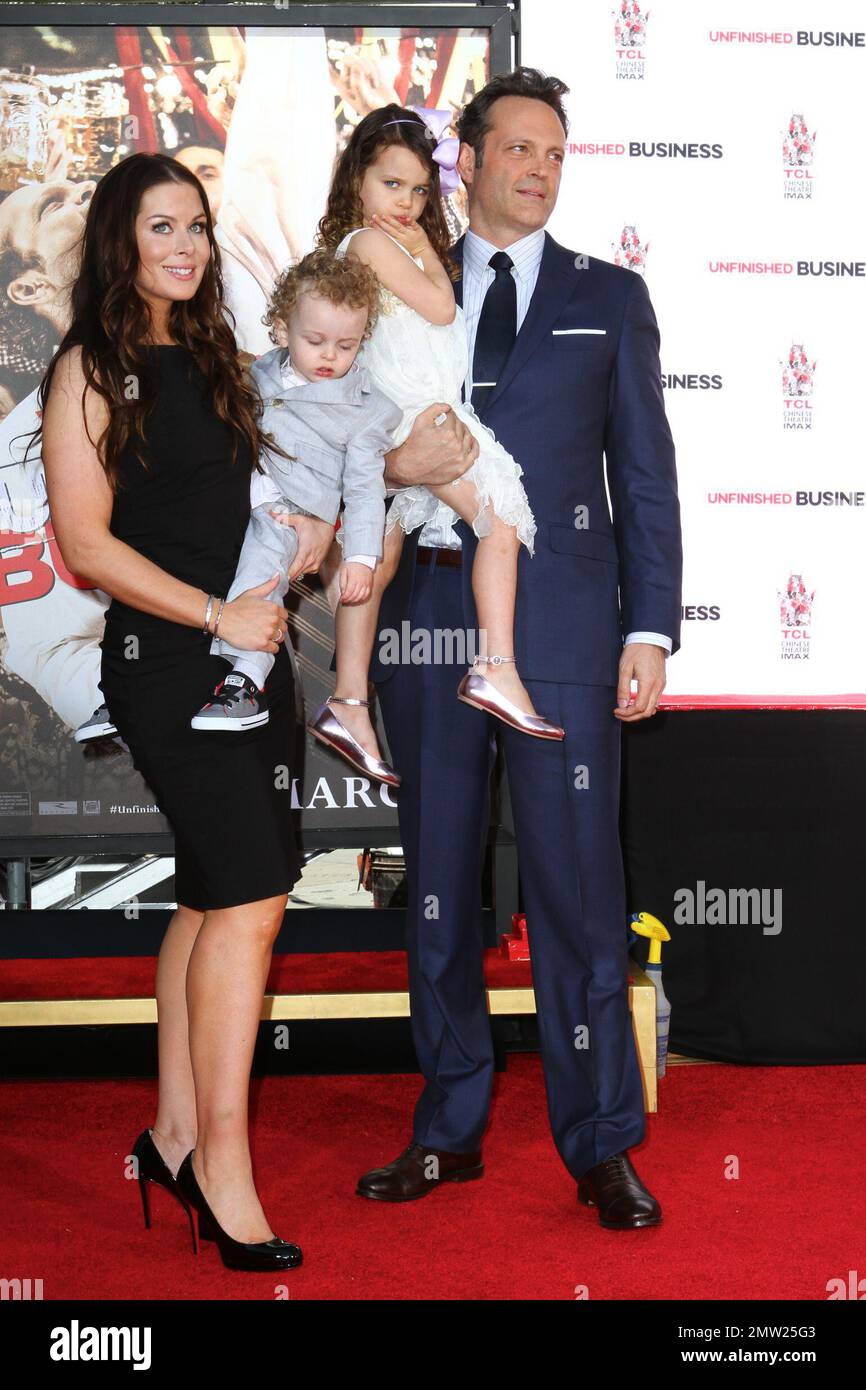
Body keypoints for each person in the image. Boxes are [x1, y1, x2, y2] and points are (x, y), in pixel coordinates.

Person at [354, 69, 683, 1228]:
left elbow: (642, 474)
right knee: (438, 887)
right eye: (520, 149)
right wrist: (387, 468)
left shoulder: (611, 295)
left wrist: (649, 623)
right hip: (430, 615)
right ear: (472, 160)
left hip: (563, 630)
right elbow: (339, 423)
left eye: (556, 152)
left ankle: (600, 1142)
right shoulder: (400, 279)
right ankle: (447, 1129)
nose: (540, 169)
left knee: (579, 896)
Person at [39, 152, 333, 1271]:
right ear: (121, 238)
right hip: (173, 660)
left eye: (198, 226)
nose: (186, 244)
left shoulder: (214, 353)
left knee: (218, 897)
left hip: (247, 653)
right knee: (254, 901)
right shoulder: (90, 368)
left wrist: (303, 529)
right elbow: (87, 543)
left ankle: (169, 1133)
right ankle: (220, 1159)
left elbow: (244, 496)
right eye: (162, 226)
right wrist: (217, 615)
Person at [310, 102, 565, 778]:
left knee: (377, 559)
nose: (407, 201)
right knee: (500, 516)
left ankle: (349, 700)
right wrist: (425, 241)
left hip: (403, 410)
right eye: (391, 184)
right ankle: (495, 666)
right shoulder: (368, 246)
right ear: (356, 179)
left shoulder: (376, 247)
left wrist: (419, 242)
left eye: (421, 190)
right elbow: (441, 308)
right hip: (410, 417)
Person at [189, 248, 403, 763]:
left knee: (263, 575)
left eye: (347, 345)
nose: (330, 356)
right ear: (282, 330)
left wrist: (360, 558)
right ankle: (123, 684)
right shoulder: (256, 374)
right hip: (235, 499)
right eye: (316, 341)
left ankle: (245, 682)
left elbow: (364, 488)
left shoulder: (365, 410)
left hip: (290, 514)